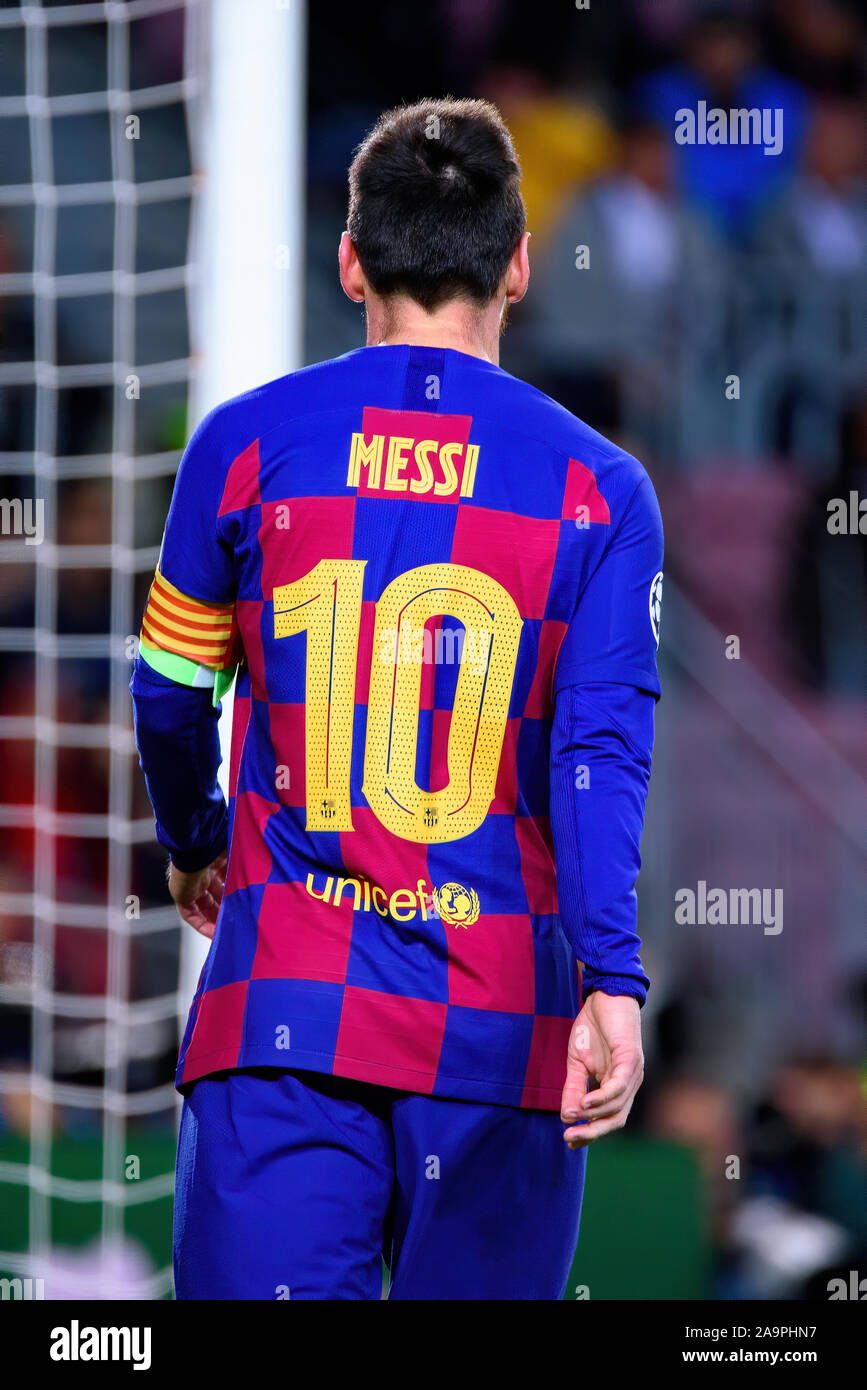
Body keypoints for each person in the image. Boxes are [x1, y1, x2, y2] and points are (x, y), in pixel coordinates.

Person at [130, 98, 663, 1300]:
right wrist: (617, 982)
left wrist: (195, 839)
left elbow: (165, 689)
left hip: (284, 1018)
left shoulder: (245, 444)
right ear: (519, 265)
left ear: (350, 259)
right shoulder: (600, 487)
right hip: (498, 1030)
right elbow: (598, 759)